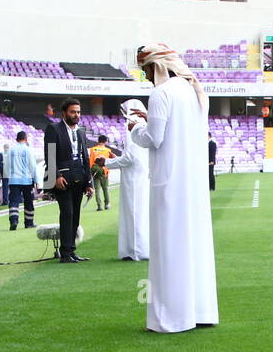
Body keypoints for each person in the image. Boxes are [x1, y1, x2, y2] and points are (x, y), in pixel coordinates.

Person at [129, 43, 218, 333]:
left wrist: (134, 129)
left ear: (156, 66)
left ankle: (170, 316)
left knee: (168, 249)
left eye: (145, 71)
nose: (146, 78)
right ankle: (199, 311)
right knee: (193, 246)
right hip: (192, 184)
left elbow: (154, 138)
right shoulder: (193, 92)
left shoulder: (161, 93)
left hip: (168, 182)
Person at [44, 98, 93, 263]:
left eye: (78, 112)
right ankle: (65, 253)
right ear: (64, 113)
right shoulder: (54, 128)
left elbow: (85, 158)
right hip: (63, 178)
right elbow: (49, 155)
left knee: (76, 215)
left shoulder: (81, 131)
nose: (76, 115)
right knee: (67, 213)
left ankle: (71, 250)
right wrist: (56, 175)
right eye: (73, 112)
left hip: (79, 177)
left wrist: (89, 183)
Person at [104, 99, 150, 261]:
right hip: (141, 175)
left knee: (134, 211)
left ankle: (135, 250)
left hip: (133, 178)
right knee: (139, 212)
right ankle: (137, 248)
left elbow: (130, 158)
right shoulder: (145, 125)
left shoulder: (134, 128)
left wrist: (106, 162)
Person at [5, 130, 37, 230]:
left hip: (14, 180)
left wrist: (9, 176)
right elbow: (32, 166)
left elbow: (6, 165)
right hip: (26, 180)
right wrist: (36, 179)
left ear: (16, 139)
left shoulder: (10, 150)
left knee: (14, 201)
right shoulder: (28, 150)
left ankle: (14, 220)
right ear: (26, 139)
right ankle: (29, 222)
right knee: (28, 201)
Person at [89, 135, 113, 211]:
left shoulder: (93, 149)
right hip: (104, 170)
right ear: (105, 141)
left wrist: (91, 171)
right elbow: (110, 161)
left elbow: (91, 161)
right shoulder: (108, 150)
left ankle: (99, 206)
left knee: (97, 189)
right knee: (105, 189)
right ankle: (107, 204)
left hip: (95, 170)